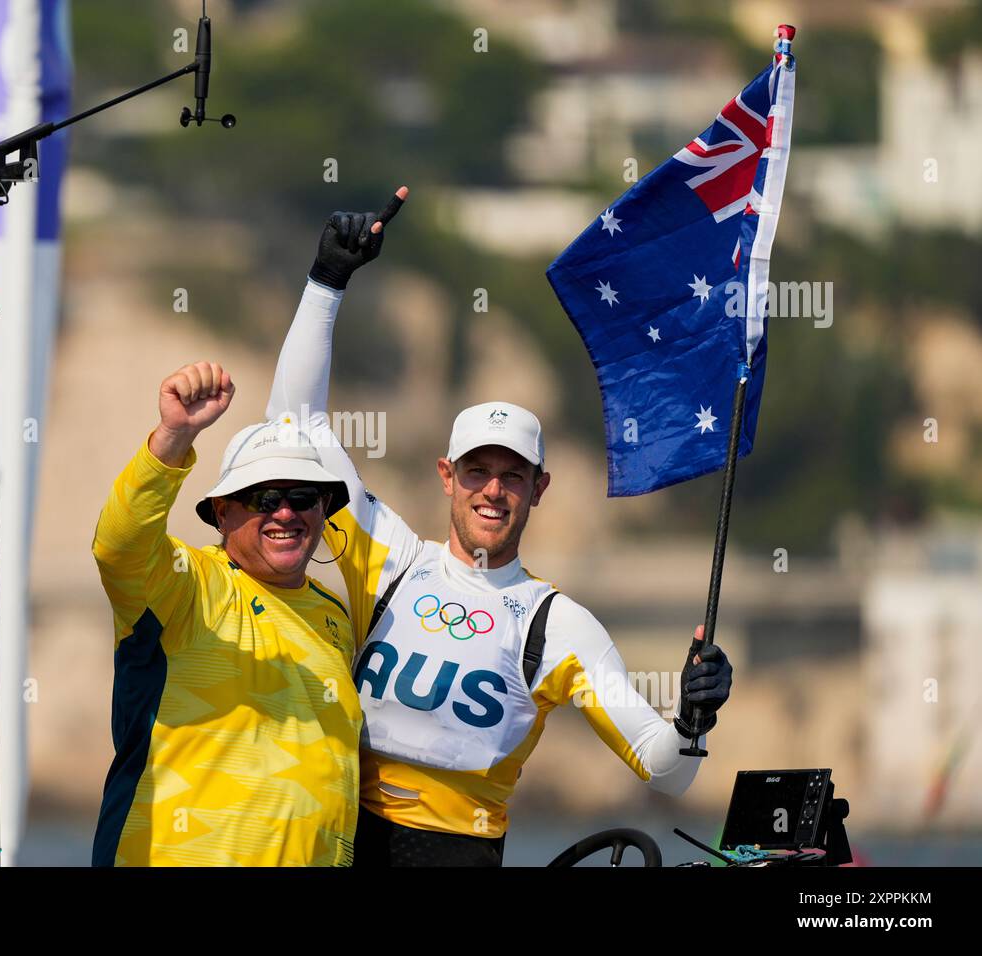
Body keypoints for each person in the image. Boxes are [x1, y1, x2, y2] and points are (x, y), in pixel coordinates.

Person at [264, 188, 734, 866]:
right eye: (477, 472)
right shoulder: (388, 556)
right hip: (339, 838)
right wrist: (326, 282)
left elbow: (667, 771)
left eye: (512, 476)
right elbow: (293, 429)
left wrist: (693, 720)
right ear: (446, 475)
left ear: (539, 489)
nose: (493, 490)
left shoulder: (559, 626)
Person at [91, 360, 363, 866]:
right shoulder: (187, 585)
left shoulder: (334, 618)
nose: (285, 512)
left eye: (302, 496)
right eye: (264, 497)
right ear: (222, 512)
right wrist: (173, 436)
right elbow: (119, 546)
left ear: (324, 507)